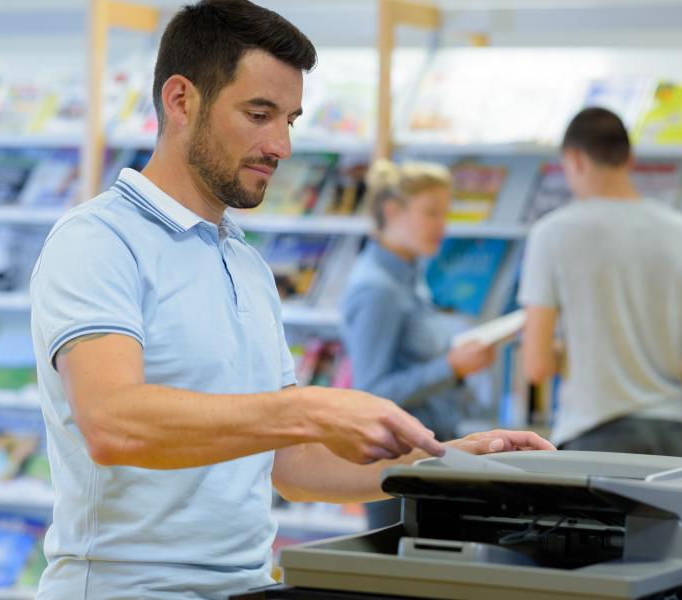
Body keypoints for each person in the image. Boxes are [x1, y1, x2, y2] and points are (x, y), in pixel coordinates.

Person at [29, 2, 555, 598]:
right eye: (258, 114)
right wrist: (306, 410)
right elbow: (112, 422)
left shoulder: (245, 263)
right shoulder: (98, 240)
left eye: (290, 120)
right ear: (181, 101)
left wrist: (444, 462)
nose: (280, 145)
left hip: (250, 584)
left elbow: (295, 467)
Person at [519, 107, 682, 456]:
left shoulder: (552, 234)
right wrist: (658, 383)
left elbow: (536, 364)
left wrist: (585, 353)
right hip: (669, 434)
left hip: (592, 433)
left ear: (573, 159)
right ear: (630, 159)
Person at [340, 160, 496, 529]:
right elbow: (372, 391)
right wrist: (451, 367)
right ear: (393, 211)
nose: (443, 226)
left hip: (426, 455)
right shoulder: (377, 288)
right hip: (398, 464)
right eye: (431, 213)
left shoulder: (410, 275)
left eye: (445, 213)